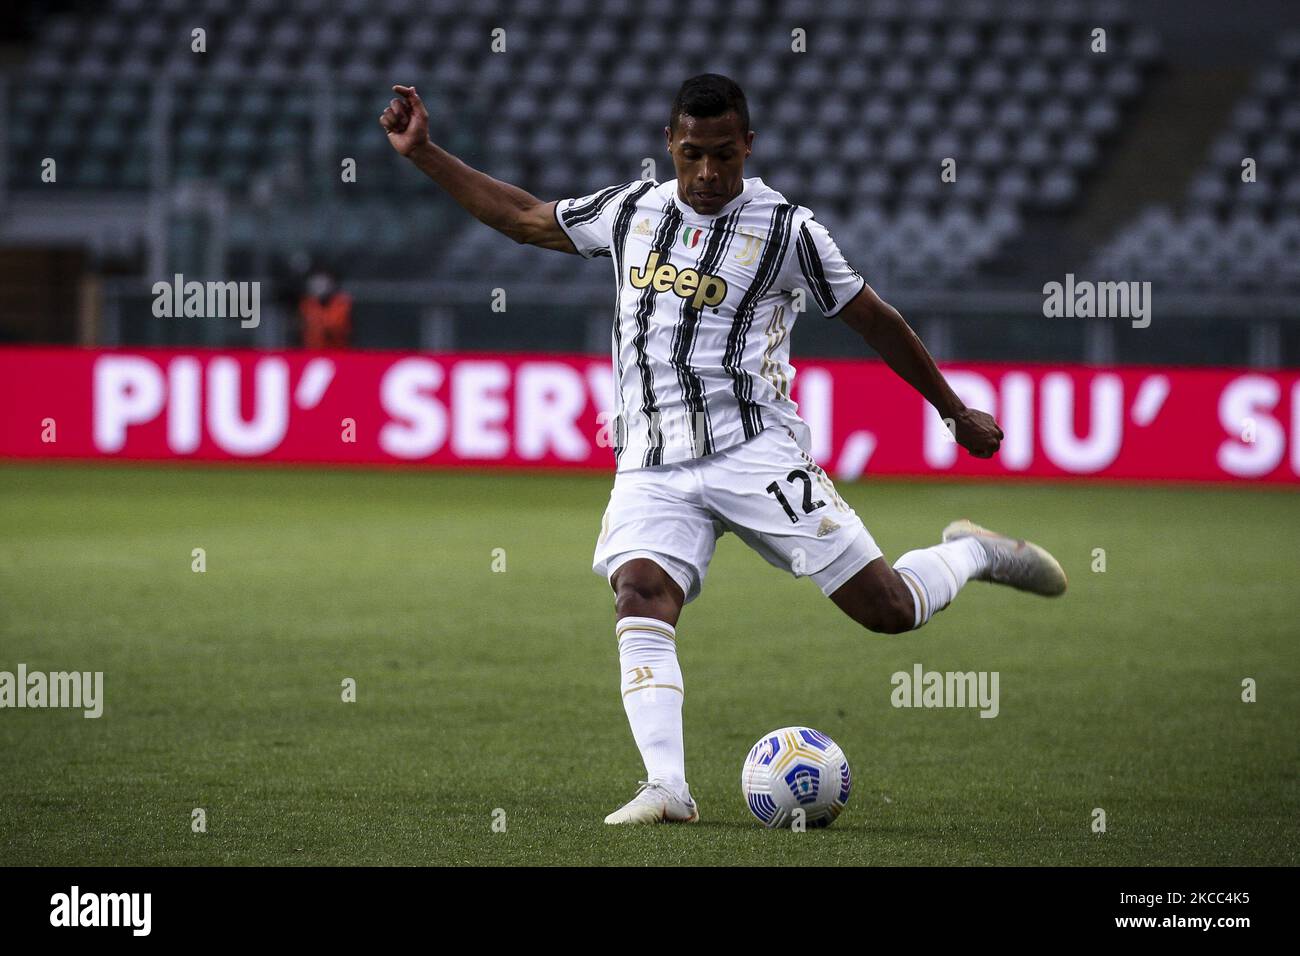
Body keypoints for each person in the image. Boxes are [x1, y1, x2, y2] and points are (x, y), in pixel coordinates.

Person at [380, 73, 1066, 825]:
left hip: (757, 452)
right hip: (652, 459)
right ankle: (668, 787)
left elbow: (875, 320)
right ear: (668, 148)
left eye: (722, 157)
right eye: (691, 155)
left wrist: (953, 409)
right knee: (639, 592)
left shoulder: (788, 231)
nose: (707, 174)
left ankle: (973, 552)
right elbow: (520, 215)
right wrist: (424, 154)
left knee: (888, 611)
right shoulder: (630, 210)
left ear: (749, 147)